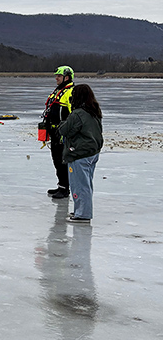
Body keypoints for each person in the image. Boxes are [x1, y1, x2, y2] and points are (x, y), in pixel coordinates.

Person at [58, 84, 103, 223]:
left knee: (79, 185)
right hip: (92, 152)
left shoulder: (78, 114)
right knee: (87, 184)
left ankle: (83, 214)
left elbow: (64, 130)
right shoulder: (94, 111)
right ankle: (81, 210)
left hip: (79, 154)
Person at [41, 66, 74, 199]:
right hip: (54, 131)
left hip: (63, 132)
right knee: (56, 160)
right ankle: (61, 185)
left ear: (66, 77)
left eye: (59, 76)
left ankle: (65, 189)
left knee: (62, 161)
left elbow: (74, 114)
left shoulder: (71, 92)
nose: (56, 78)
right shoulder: (58, 91)